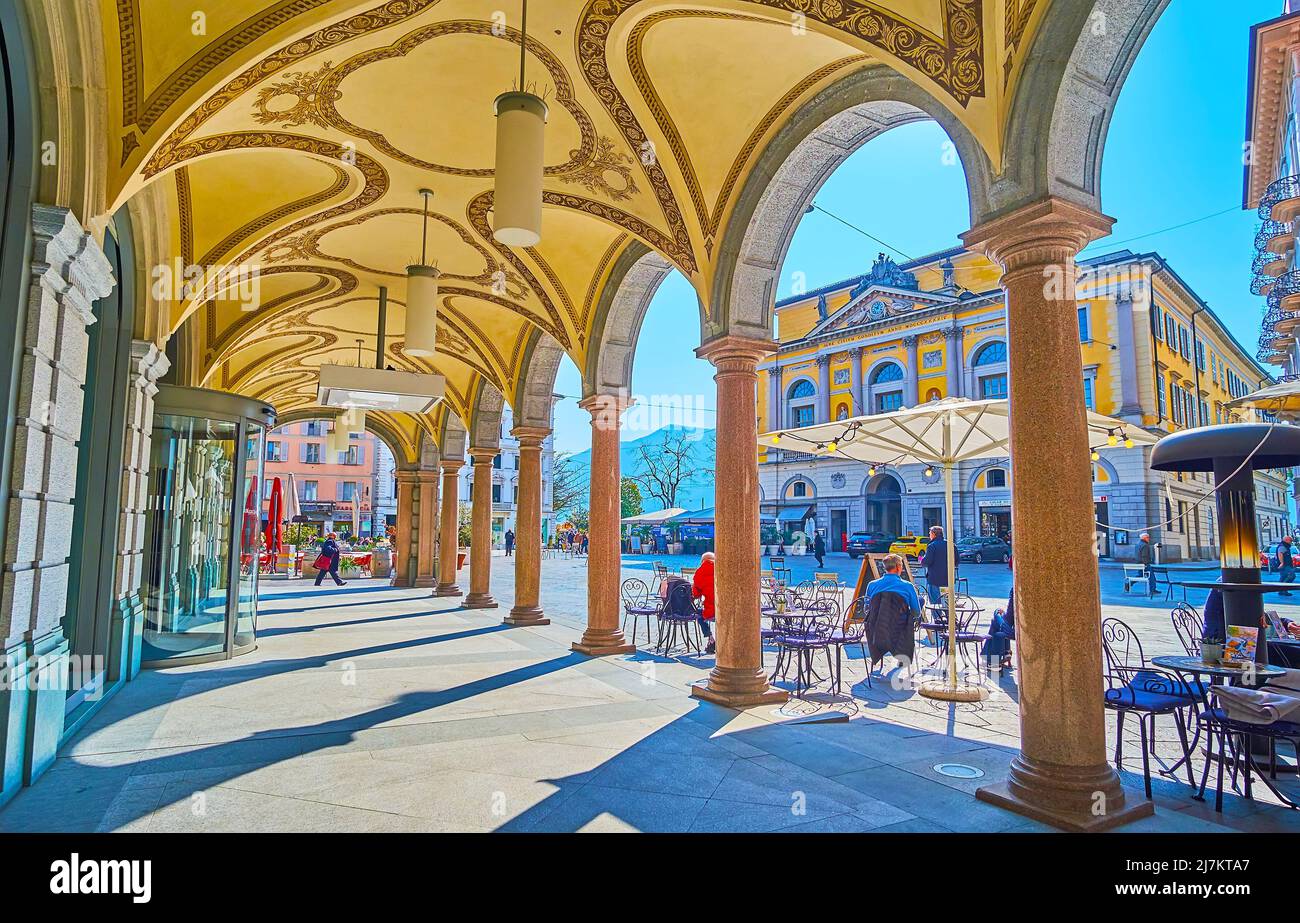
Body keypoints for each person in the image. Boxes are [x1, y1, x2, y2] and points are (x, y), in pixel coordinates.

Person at [865, 553, 921, 620]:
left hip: (876, 624)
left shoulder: (872, 585)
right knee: (920, 600)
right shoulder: (908, 586)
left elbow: (867, 610)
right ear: (898, 567)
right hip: (900, 624)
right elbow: (916, 613)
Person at [691, 551, 717, 655]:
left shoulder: (699, 572)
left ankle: (710, 638)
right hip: (728, 610)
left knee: (699, 614)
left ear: (702, 561)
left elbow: (695, 594)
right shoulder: (722, 569)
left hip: (711, 611)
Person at [983, 589, 1016, 670]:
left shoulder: (1016, 590)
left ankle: (994, 661)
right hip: (1011, 628)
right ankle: (1006, 653)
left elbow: (1010, 614)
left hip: (1010, 631)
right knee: (998, 620)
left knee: (996, 617)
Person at [920, 525, 951, 606]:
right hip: (948, 578)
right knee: (946, 601)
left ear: (934, 534)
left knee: (935, 603)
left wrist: (921, 560)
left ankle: (937, 614)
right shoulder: (950, 544)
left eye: (930, 533)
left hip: (934, 579)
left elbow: (926, 562)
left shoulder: (932, 546)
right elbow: (957, 560)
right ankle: (948, 613)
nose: (929, 535)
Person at [1135, 532, 1156, 597]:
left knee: (1141, 575)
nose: (1148, 538)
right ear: (1144, 538)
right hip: (1144, 564)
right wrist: (1146, 563)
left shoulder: (1137, 544)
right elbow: (1144, 556)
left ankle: (1129, 583)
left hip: (1138, 563)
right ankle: (1152, 589)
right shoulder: (1145, 545)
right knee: (1151, 577)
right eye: (1147, 537)